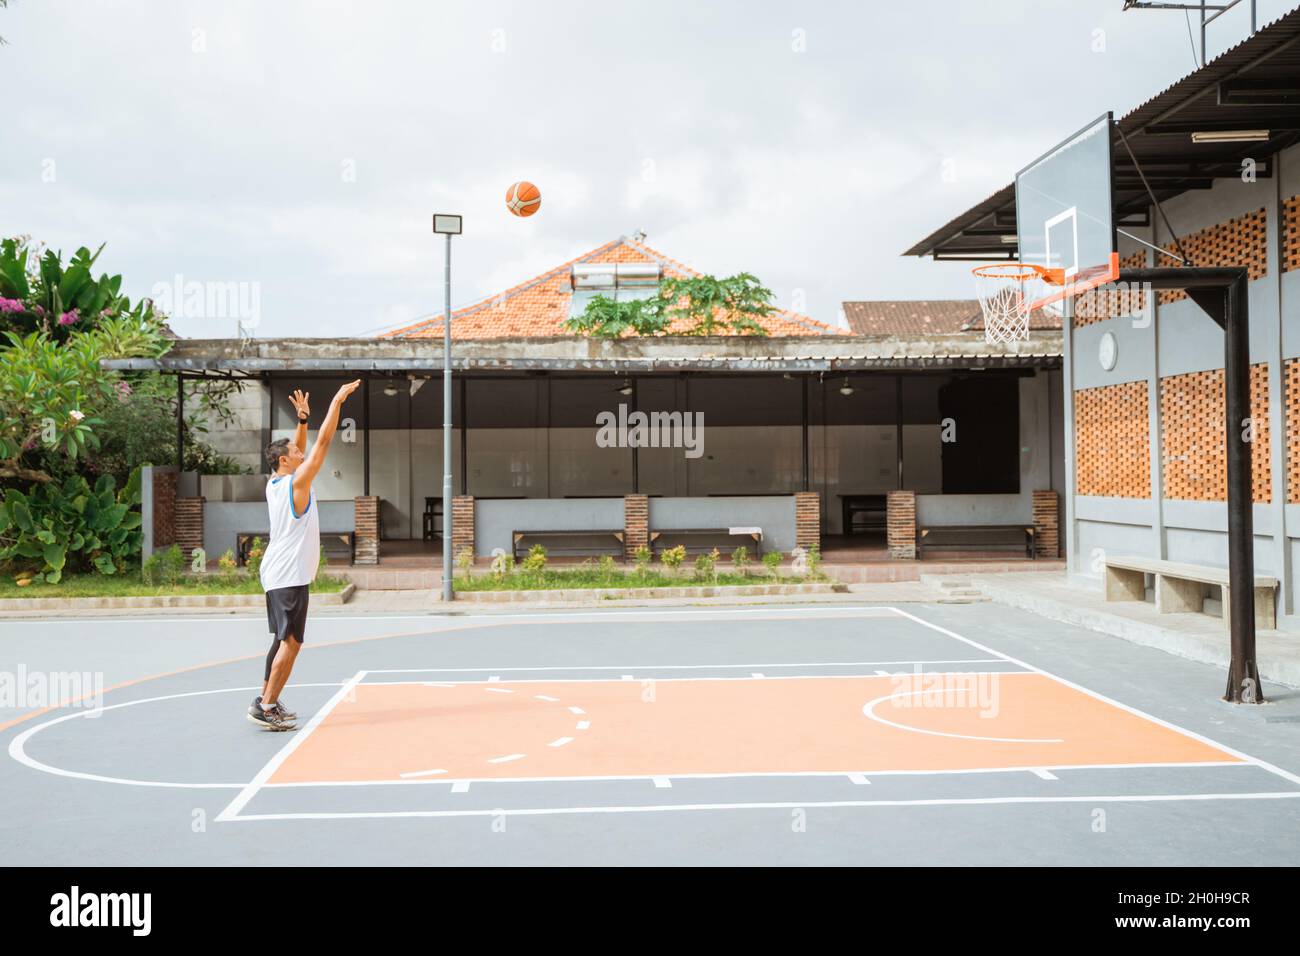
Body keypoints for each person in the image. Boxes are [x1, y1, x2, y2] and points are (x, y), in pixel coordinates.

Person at [247, 379, 362, 731]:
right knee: (292, 643)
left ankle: (267, 697)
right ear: (285, 461)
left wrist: (301, 421)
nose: (302, 451)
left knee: (282, 640)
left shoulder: (276, 482)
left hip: (280, 572)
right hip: (288, 574)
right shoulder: (297, 484)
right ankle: (266, 707)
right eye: (296, 453)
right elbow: (324, 443)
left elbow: (300, 445)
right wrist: (337, 402)